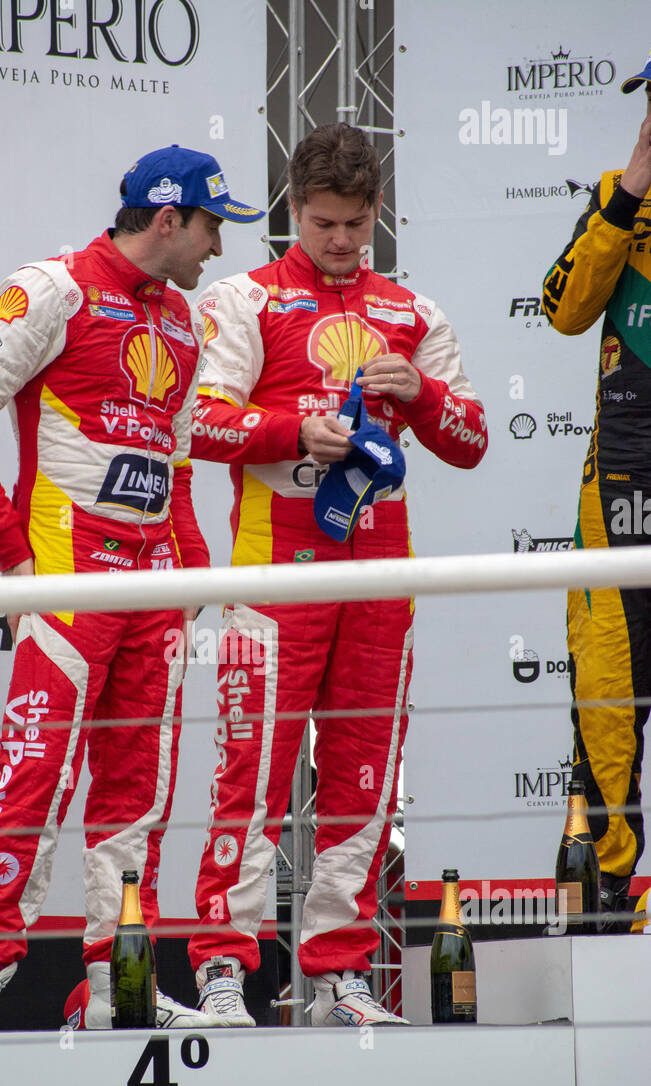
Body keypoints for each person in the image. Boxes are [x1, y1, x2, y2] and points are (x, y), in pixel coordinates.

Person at [0, 145, 264, 1030]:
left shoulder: (188, 321)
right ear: (167, 219)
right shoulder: (52, 288)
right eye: (211, 227)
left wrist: (190, 579)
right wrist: (13, 555)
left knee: (137, 800)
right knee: (32, 779)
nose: (217, 249)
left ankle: (121, 985)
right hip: (70, 582)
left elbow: (178, 466)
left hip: (152, 596)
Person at [186, 123, 488, 1027]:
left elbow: (470, 443)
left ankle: (336, 972)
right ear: (290, 211)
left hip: (378, 583)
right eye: (322, 223)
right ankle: (224, 969)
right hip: (274, 581)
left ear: (377, 212)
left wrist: (420, 397)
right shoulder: (244, 300)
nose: (340, 241)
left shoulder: (412, 312)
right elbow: (196, 423)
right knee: (252, 775)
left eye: (355, 223)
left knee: (363, 779)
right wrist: (290, 430)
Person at [542, 56, 651, 932]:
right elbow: (564, 307)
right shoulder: (619, 195)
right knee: (608, 691)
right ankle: (607, 887)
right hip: (620, 480)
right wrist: (625, 199)